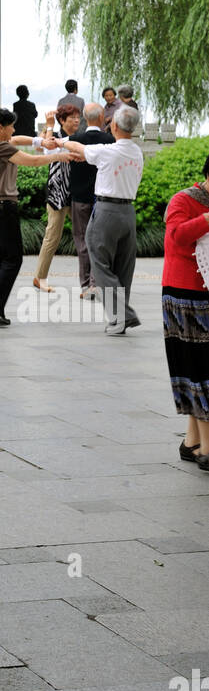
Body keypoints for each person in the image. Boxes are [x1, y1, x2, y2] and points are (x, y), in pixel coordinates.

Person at [0, 108, 74, 329]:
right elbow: (31, 161)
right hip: (3, 206)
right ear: (0, 128)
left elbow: (17, 139)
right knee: (13, 259)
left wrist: (39, 140)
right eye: (10, 125)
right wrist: (59, 155)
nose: (13, 130)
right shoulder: (2, 148)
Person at [62, 105, 144, 335]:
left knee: (99, 264)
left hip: (107, 210)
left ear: (114, 126)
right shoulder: (136, 152)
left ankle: (123, 315)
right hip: (128, 212)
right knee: (124, 267)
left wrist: (60, 141)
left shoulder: (109, 151)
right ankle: (119, 319)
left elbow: (77, 147)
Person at [162, 155, 209, 471]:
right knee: (199, 369)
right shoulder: (184, 199)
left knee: (198, 369)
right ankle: (206, 446)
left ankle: (193, 440)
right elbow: (178, 236)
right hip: (183, 296)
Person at [32, 103, 82, 293]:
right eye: (72, 118)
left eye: (78, 117)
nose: (76, 121)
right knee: (53, 236)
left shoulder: (78, 138)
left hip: (76, 192)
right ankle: (40, 277)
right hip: (58, 193)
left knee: (87, 236)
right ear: (62, 120)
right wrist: (49, 126)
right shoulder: (55, 137)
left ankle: (94, 280)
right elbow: (48, 152)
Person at [69, 103, 114, 299]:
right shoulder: (110, 140)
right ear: (102, 116)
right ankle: (96, 284)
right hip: (102, 199)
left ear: (85, 118)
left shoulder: (75, 139)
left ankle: (85, 284)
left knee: (82, 241)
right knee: (100, 242)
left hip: (79, 198)